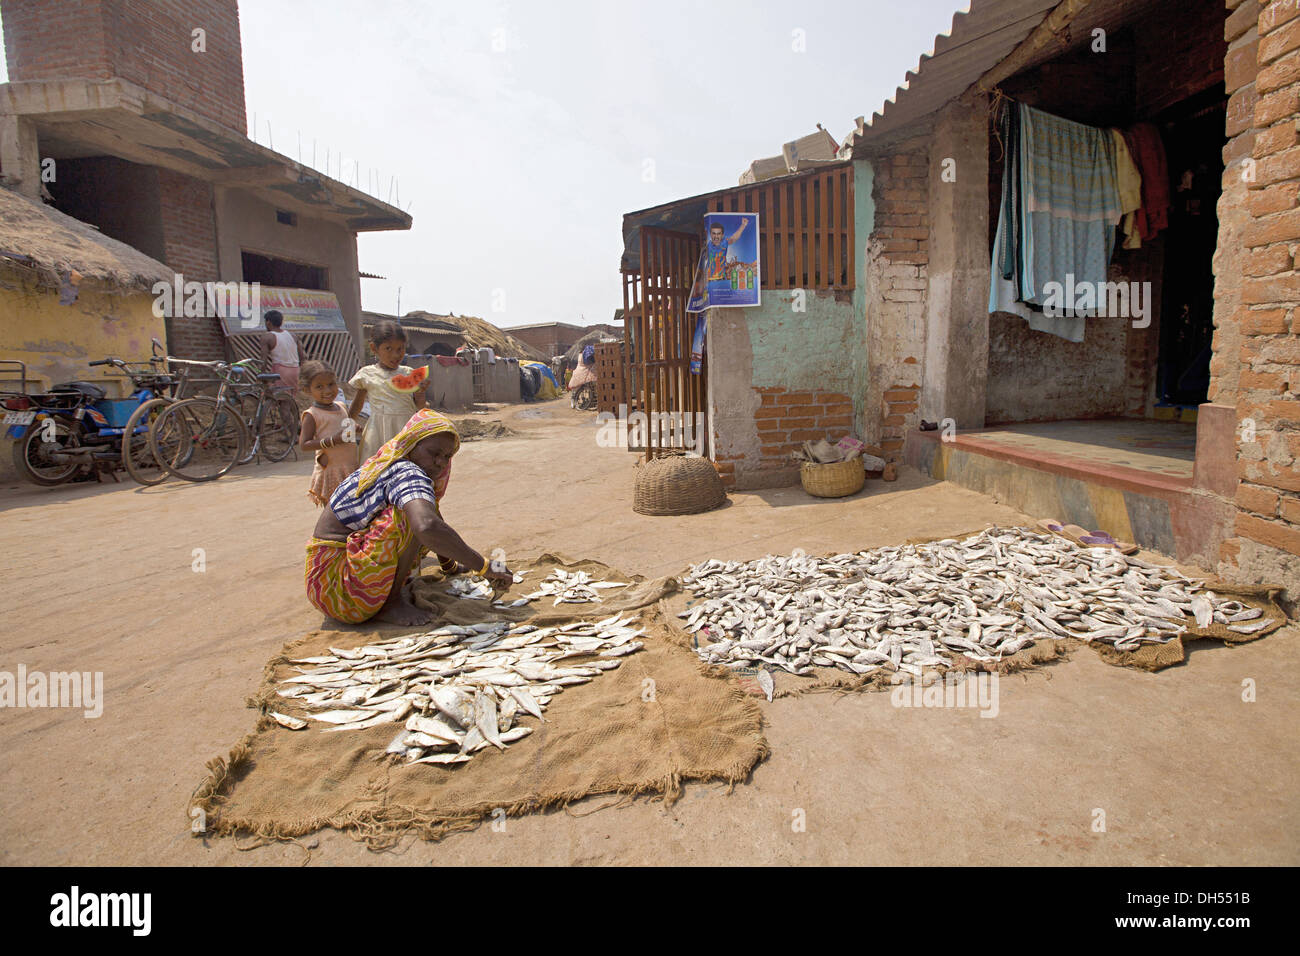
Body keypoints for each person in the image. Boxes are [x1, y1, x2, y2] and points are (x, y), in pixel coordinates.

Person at [305, 410, 513, 626]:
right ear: (411, 444)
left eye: (447, 456)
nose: (441, 462)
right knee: (412, 518)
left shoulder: (389, 462)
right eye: (434, 453)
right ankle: (390, 603)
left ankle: (385, 591)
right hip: (340, 590)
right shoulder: (407, 472)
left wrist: (449, 566)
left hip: (323, 584)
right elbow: (427, 526)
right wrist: (485, 566)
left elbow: (434, 517)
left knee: (422, 510)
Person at [348, 321, 427, 462]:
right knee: (377, 472)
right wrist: (347, 425)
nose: (395, 355)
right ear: (374, 348)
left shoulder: (409, 373)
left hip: (405, 429)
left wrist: (420, 394)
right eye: (388, 349)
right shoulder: (366, 374)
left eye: (400, 349)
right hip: (378, 431)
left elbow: (420, 407)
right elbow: (357, 405)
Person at [297, 360, 359, 506]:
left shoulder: (341, 406)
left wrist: (354, 427)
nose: (327, 391)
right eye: (319, 387)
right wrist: (333, 440)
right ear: (307, 390)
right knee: (334, 511)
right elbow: (304, 444)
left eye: (331, 384)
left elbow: (343, 425)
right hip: (331, 469)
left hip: (350, 466)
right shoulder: (312, 415)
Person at [261, 310, 306, 391]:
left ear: (268, 322)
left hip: (281, 372)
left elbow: (263, 361)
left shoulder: (267, 337)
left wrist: (261, 376)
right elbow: (302, 357)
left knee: (277, 399)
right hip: (296, 371)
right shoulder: (293, 335)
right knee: (292, 399)